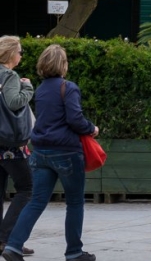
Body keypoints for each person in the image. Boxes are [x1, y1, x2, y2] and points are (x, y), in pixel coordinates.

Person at [1, 45, 98, 261]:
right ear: (63, 64)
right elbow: (75, 119)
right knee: (74, 202)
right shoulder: (68, 87)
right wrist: (92, 128)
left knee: (36, 200)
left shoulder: (42, 88)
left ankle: (13, 246)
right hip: (66, 152)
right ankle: (74, 252)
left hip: (41, 151)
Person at [0, 37, 33, 257]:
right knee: (27, 189)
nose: (21, 55)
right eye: (20, 52)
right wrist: (27, 87)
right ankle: (8, 239)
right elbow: (14, 102)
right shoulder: (9, 75)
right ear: (11, 53)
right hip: (10, 145)